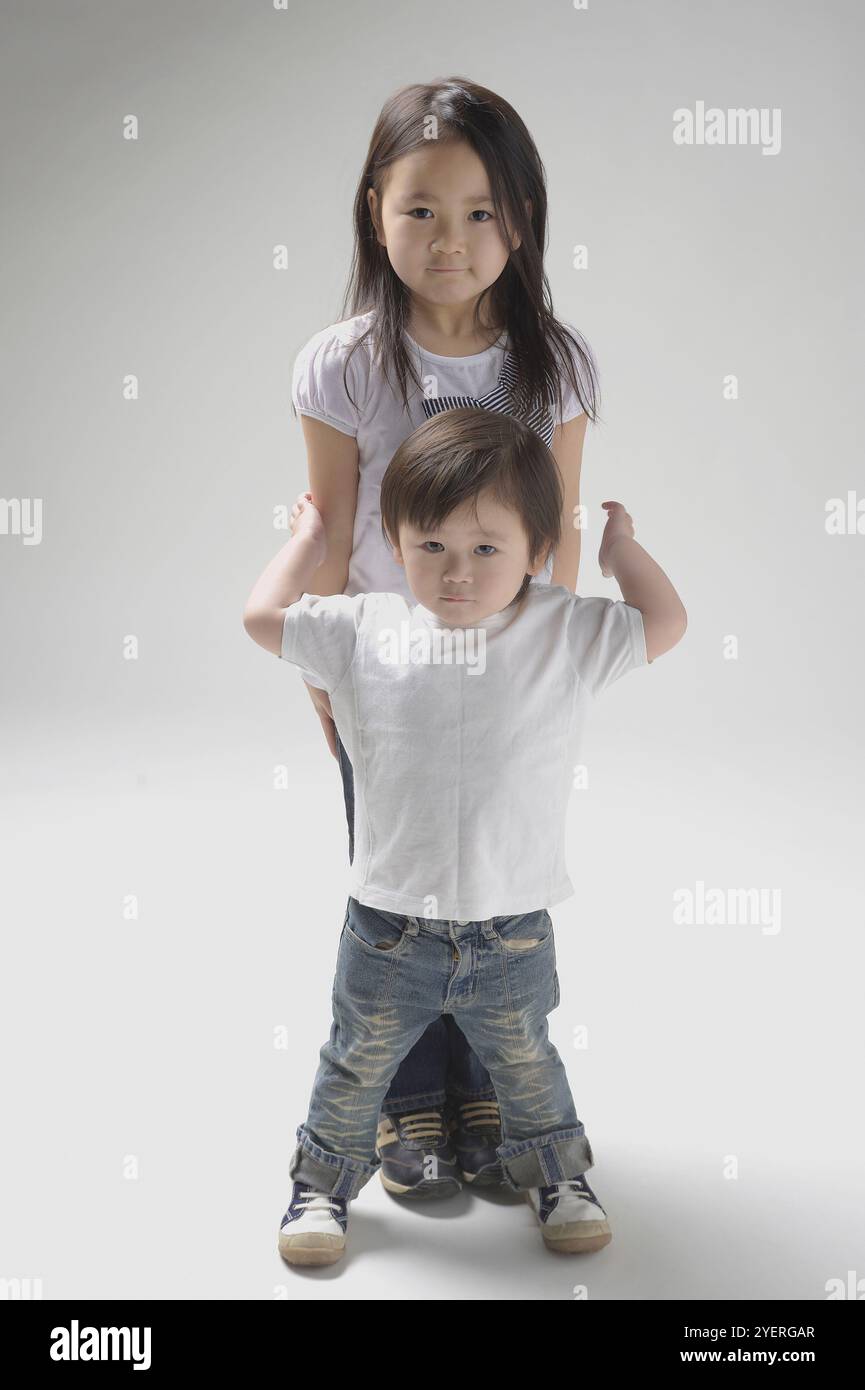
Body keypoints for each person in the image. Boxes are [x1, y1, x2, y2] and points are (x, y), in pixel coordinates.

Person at [242, 407, 687, 1265]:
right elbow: (264, 619)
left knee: (528, 1065)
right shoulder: (364, 626)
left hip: (511, 924)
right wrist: (308, 539)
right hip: (387, 926)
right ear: (395, 542)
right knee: (353, 1068)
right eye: (431, 547)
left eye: (487, 549)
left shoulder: (561, 628)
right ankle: (320, 1188)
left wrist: (619, 552)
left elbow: (662, 624)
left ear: (534, 548)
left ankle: (555, 1175)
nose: (456, 573)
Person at [288, 75, 604, 1196]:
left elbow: (556, 530)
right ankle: (410, 1102)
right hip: (387, 678)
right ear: (375, 207)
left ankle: (488, 1094)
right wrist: (320, 673)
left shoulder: (551, 363)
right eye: (420, 208)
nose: (450, 239)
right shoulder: (343, 363)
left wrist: (549, 660)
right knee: (402, 891)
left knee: (498, 883)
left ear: (520, 218)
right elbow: (328, 520)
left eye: (481, 212)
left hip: (510, 678)